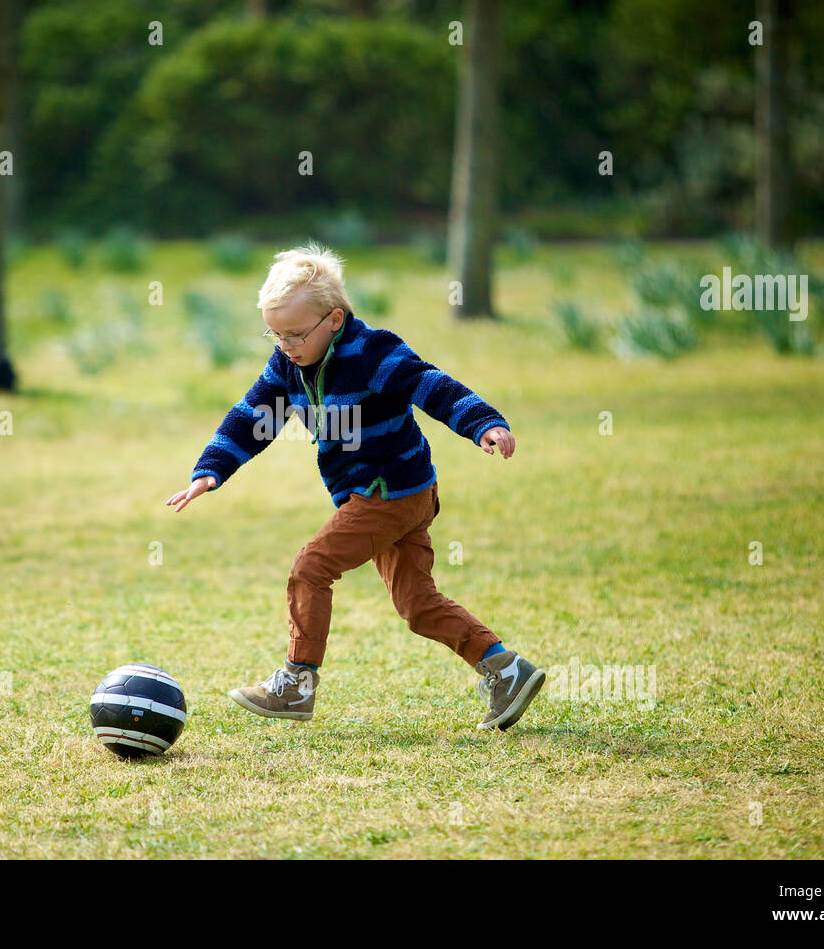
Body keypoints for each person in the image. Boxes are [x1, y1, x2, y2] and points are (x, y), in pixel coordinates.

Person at [165, 241, 545, 731]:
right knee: (417, 605)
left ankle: (297, 682)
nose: (286, 345)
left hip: (390, 490)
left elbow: (432, 385)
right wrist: (210, 470)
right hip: (380, 497)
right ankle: (506, 669)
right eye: (275, 335)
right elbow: (251, 416)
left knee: (311, 567)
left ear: (335, 320)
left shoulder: (372, 352)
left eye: (297, 334)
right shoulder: (287, 368)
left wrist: (483, 424)